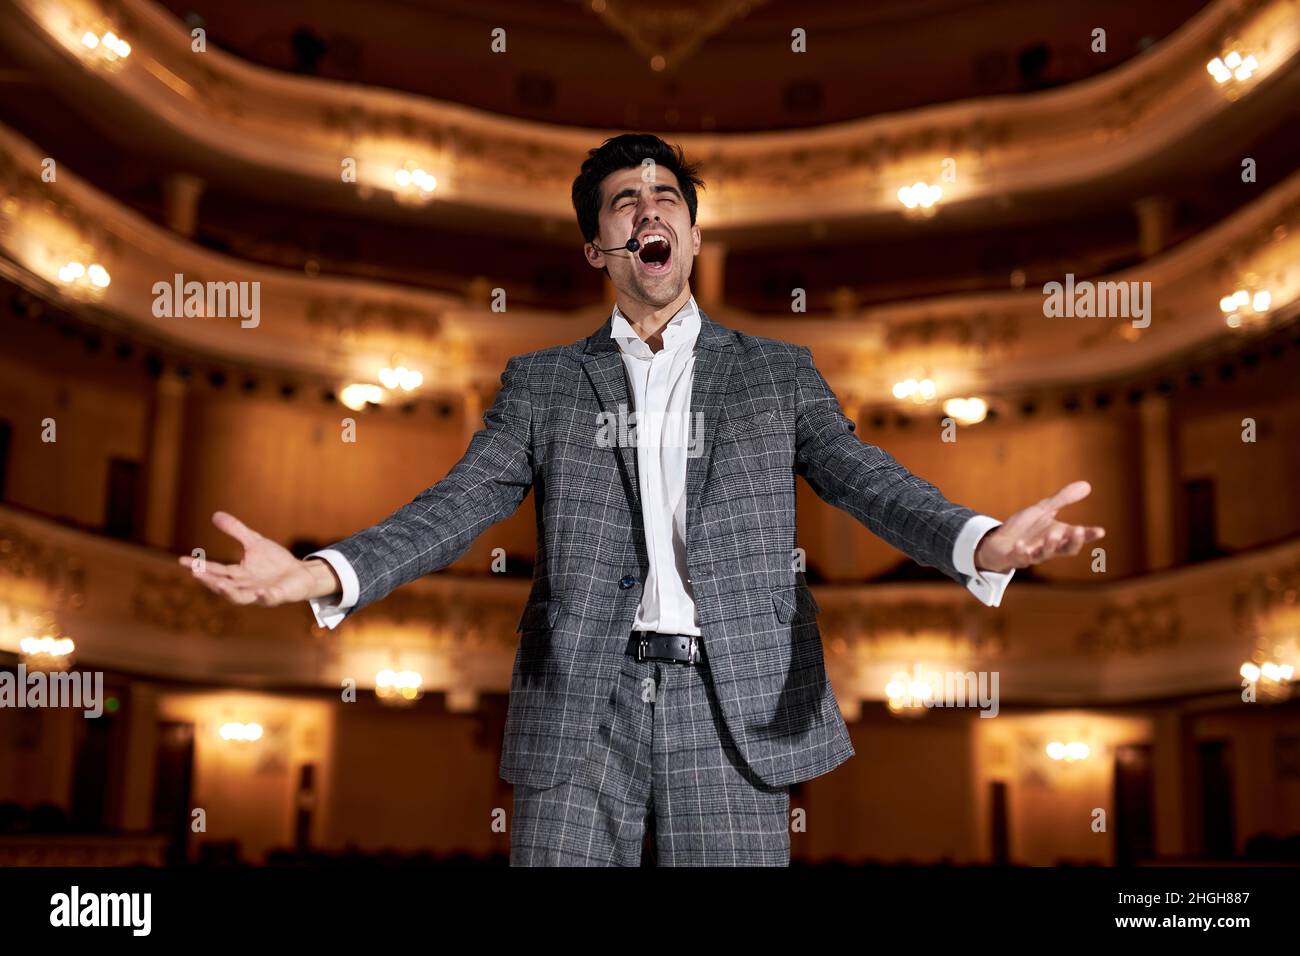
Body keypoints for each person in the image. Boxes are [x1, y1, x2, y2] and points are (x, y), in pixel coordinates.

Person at [182, 133, 1105, 866]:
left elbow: (865, 477)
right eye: (626, 202)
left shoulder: (778, 375)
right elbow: (457, 503)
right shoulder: (540, 384)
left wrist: (977, 540)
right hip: (581, 701)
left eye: (667, 199)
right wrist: (320, 572)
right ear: (599, 246)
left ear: (695, 238)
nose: (648, 210)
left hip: (731, 703)